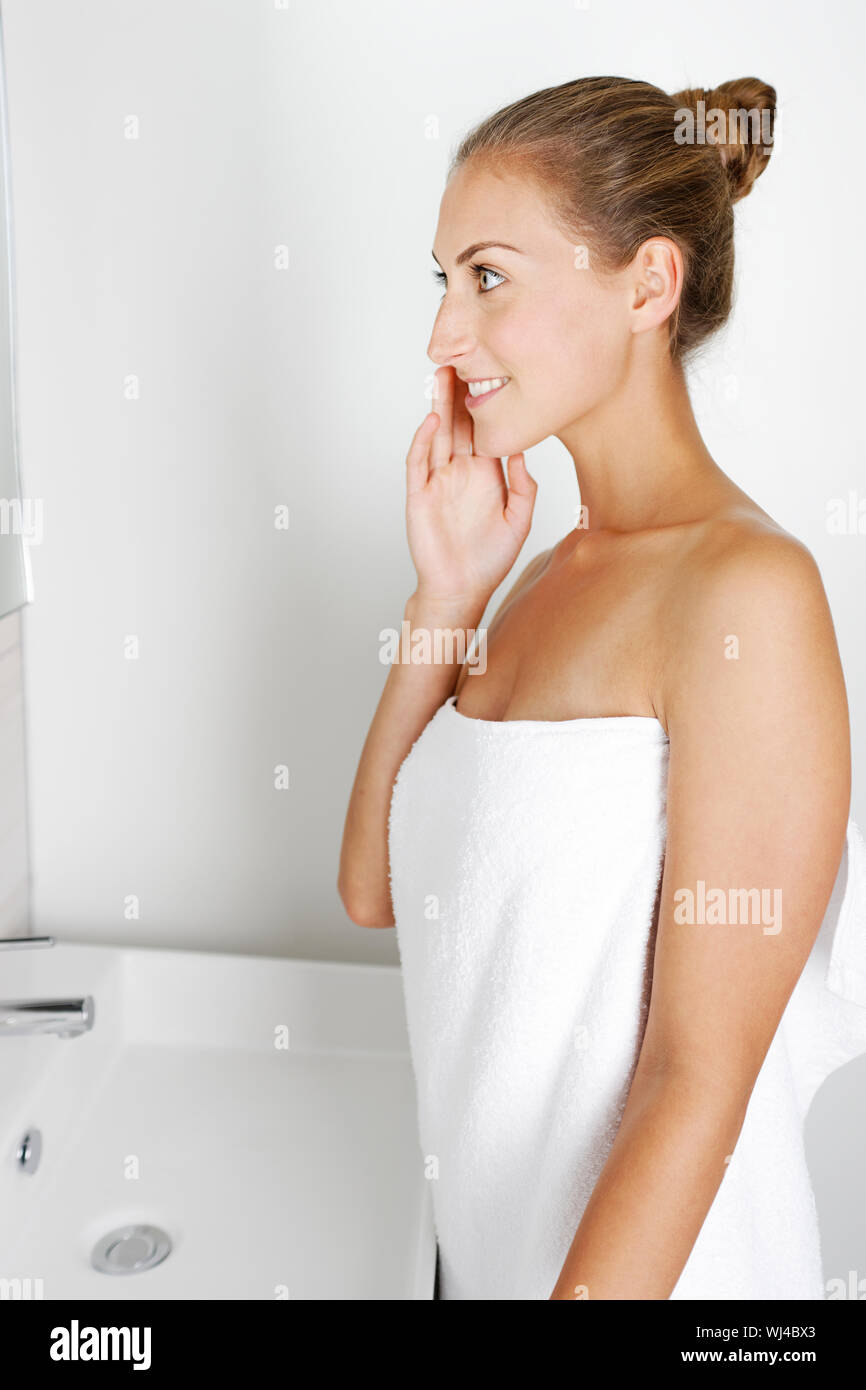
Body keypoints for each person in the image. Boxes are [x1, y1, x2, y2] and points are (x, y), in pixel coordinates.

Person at [338, 75, 866, 1299]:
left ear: (645, 283)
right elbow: (375, 884)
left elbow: (696, 1080)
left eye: (487, 277)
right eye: (442, 280)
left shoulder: (746, 594)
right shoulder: (530, 583)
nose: (442, 338)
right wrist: (444, 599)